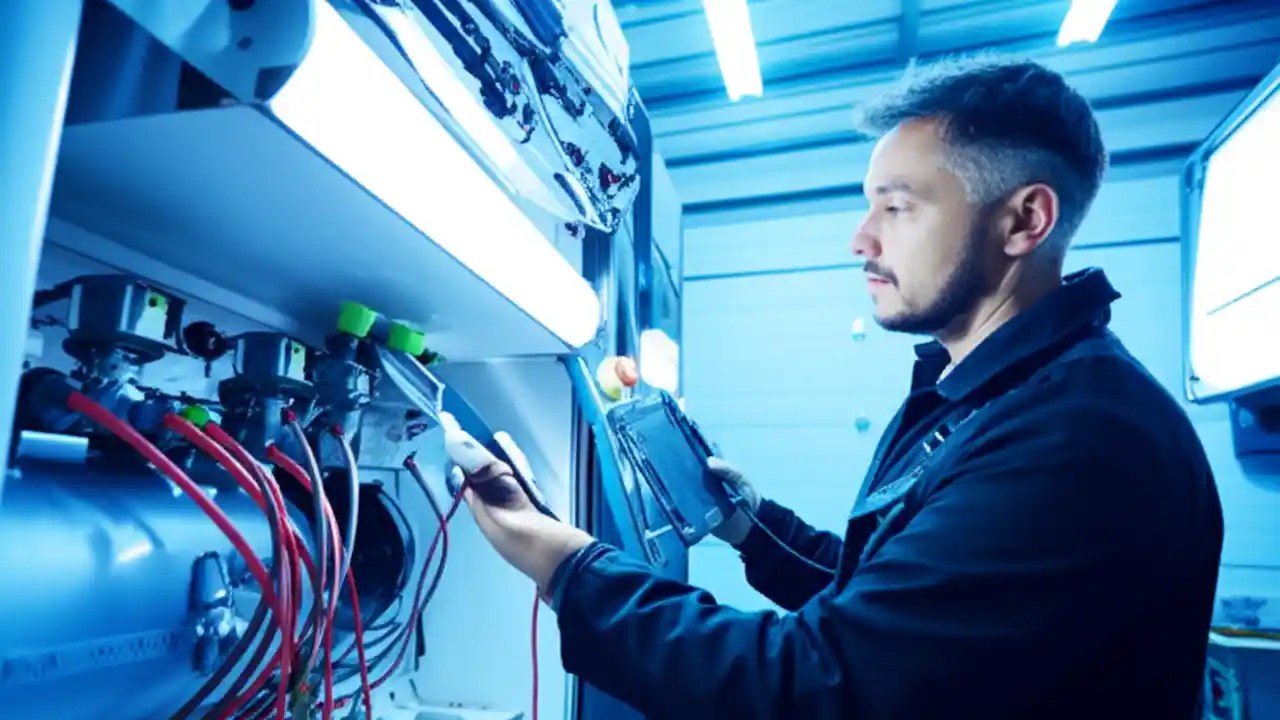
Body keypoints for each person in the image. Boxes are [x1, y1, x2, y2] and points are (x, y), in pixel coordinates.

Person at [444, 55, 1225, 719]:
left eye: (897, 206)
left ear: (1024, 221)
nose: (861, 239)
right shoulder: (988, 392)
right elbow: (896, 608)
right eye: (867, 205)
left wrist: (562, 562)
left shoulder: (1080, 437)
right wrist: (753, 529)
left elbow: (821, 684)